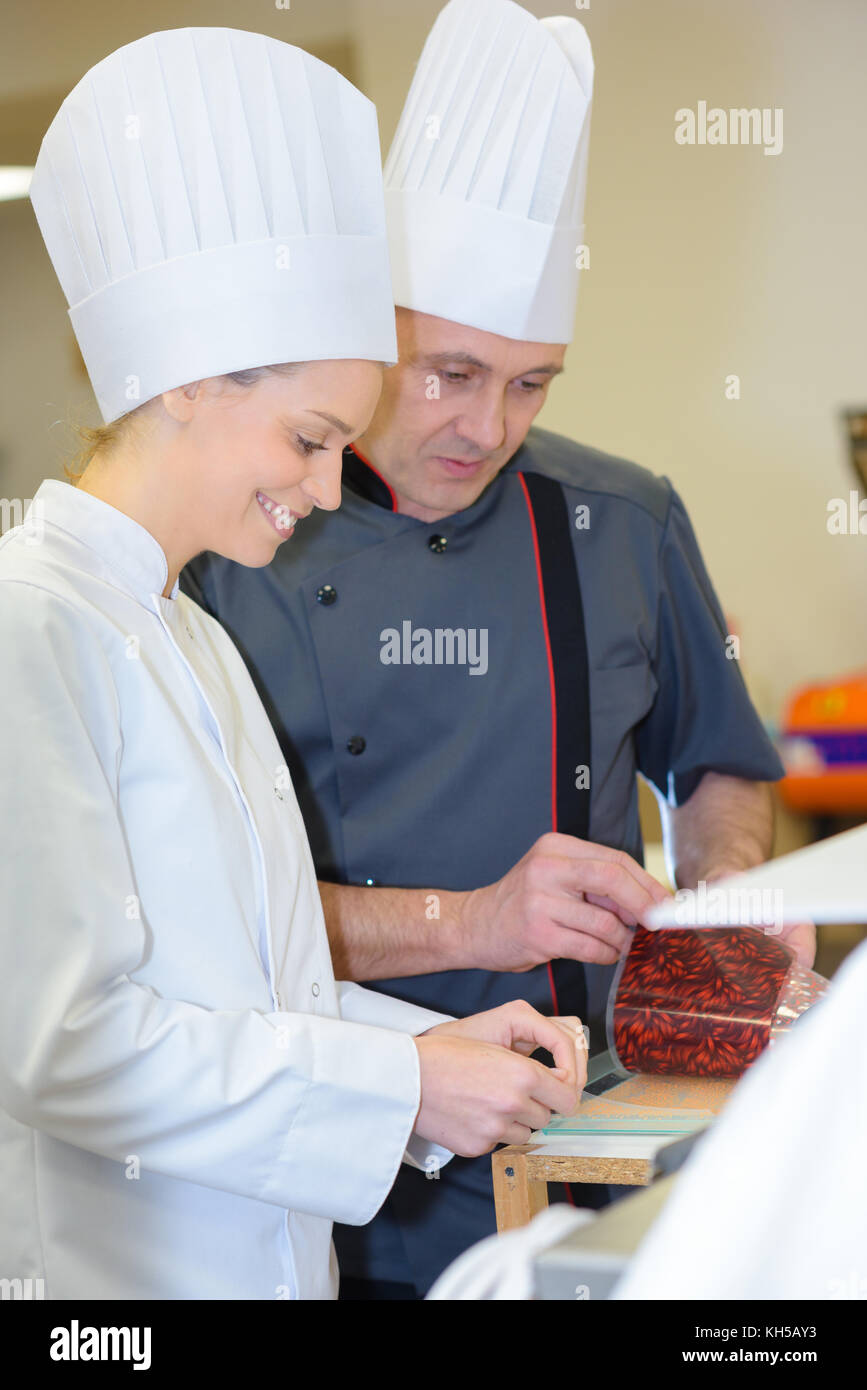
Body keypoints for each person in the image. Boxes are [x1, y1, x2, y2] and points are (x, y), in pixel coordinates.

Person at [181, 1, 811, 1297]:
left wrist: (715, 909)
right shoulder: (228, 548)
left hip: (571, 1156)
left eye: (533, 383)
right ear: (370, 324)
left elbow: (717, 767)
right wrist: (467, 918)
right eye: (448, 372)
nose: (488, 427)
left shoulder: (622, 520)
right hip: (313, 1167)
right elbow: (199, 933)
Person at [0, 25, 587, 1303]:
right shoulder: (27, 626)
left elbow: (253, 993)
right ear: (190, 385)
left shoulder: (193, 638)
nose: (325, 489)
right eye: (312, 437)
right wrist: (406, 1083)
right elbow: (61, 1046)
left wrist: (438, 1054)